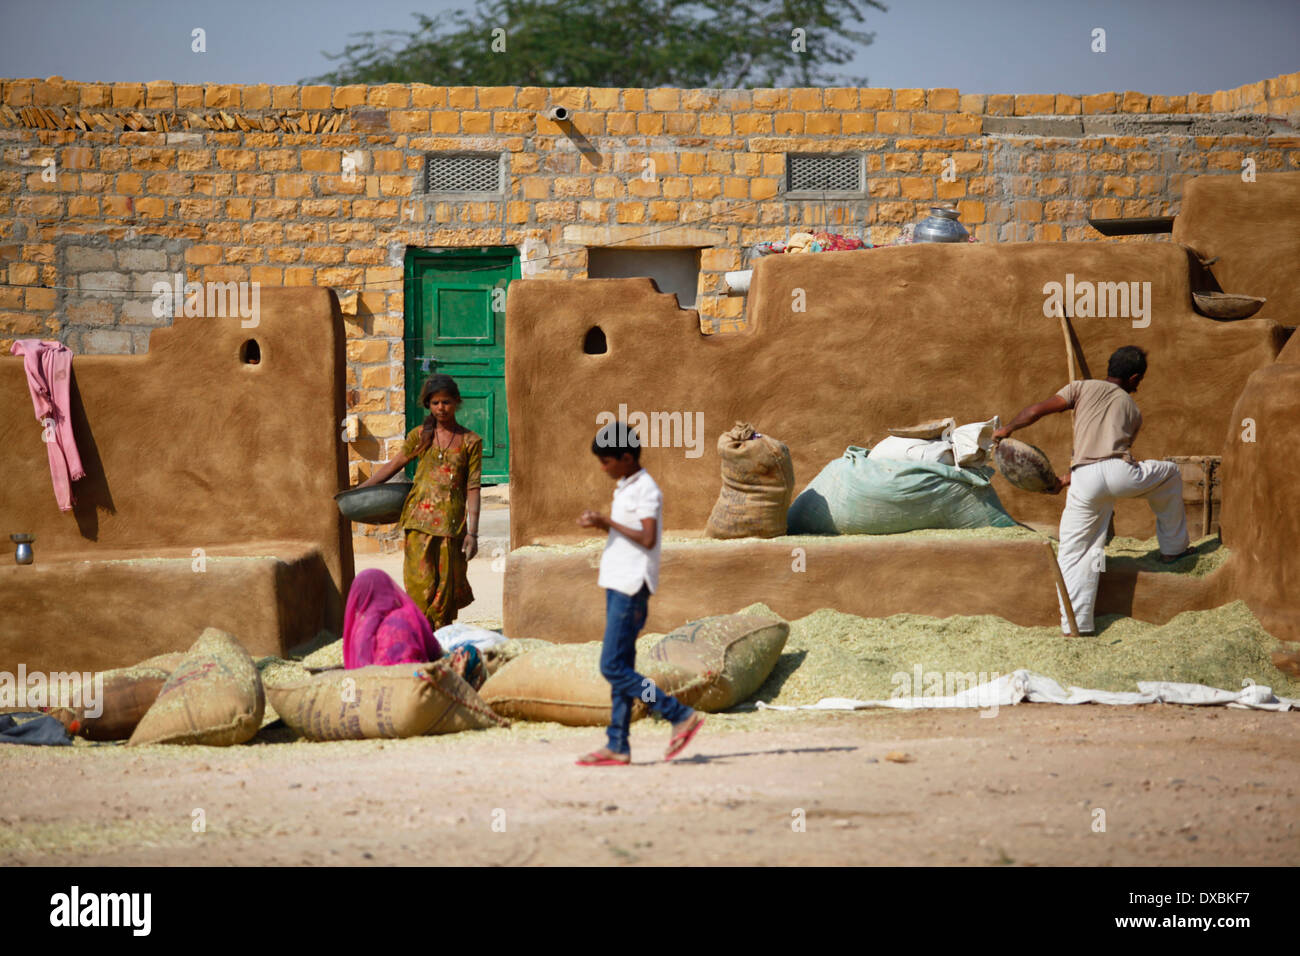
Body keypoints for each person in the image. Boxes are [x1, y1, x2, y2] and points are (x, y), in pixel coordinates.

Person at [993, 345, 1192, 636]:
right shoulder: (1133, 410)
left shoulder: (1079, 388)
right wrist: (1063, 480)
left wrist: (1007, 430)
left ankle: (1075, 626)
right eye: (1140, 380)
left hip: (1084, 479)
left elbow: (1036, 410)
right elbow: (1109, 462)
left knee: (1075, 552)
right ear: (1135, 378)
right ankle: (1173, 550)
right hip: (1120, 473)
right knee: (1171, 474)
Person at [575, 422, 704, 766]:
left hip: (632, 587)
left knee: (612, 667)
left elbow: (647, 538)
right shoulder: (625, 486)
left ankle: (677, 713)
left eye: (606, 461)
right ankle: (618, 744)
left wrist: (606, 523)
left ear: (627, 457)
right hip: (619, 584)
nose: (603, 468)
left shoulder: (646, 489)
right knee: (623, 668)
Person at [356, 374, 481, 631]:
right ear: (428, 405)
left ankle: (440, 640)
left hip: (451, 525)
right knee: (419, 584)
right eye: (435, 403)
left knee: (444, 590)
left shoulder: (471, 442)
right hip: (418, 522)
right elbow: (394, 465)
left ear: (456, 402)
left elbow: (473, 486)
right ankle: (419, 634)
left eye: (446, 402)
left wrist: (473, 532)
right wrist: (361, 490)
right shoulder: (419, 436)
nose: (441, 408)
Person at [342, 568, 486, 687]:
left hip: (370, 691)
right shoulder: (399, 620)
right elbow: (412, 670)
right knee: (470, 653)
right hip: (407, 689)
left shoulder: (358, 631)